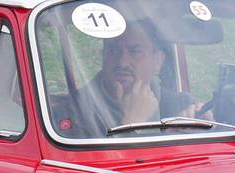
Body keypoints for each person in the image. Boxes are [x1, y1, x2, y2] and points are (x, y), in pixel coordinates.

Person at [48, 19, 194, 138]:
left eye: (135, 52)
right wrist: (132, 123)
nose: (122, 62)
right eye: (114, 50)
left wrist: (208, 125)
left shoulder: (179, 107)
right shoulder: (71, 112)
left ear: (158, 61)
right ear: (104, 56)